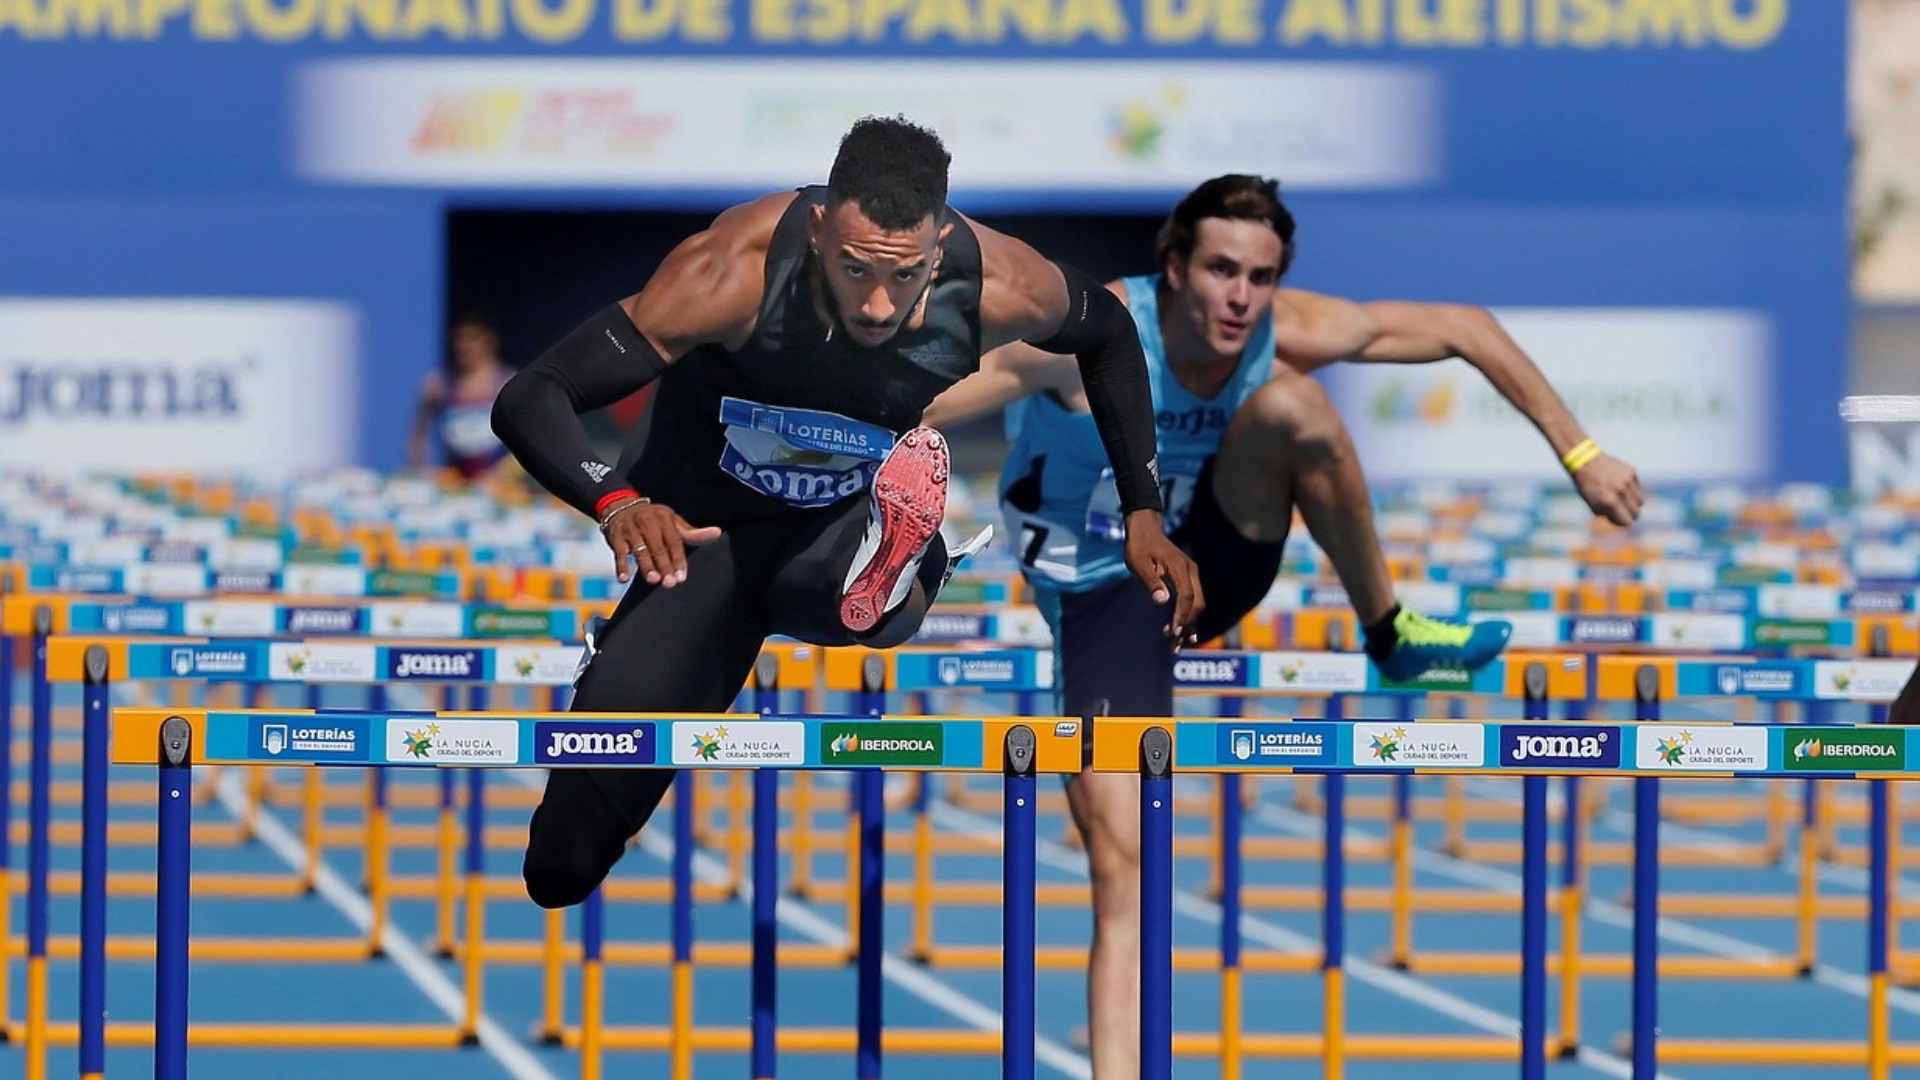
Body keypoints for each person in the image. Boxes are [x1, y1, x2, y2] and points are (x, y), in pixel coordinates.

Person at [923, 174, 1646, 1079]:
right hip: (1106, 585)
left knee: (1297, 406)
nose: (1239, 297)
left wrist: (1580, 453)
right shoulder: (1092, 333)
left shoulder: (1285, 330)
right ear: (1175, 269)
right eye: (1220, 270)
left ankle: (1388, 631)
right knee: (1126, 870)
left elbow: (1466, 326)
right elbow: (933, 388)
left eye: (1259, 277)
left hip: (1221, 554)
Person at [490, 116, 1204, 910]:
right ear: (822, 226)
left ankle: (895, 552)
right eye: (855, 267)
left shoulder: (1002, 283)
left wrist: (1144, 508)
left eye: (903, 278)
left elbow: (1107, 334)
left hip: (829, 541)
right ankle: (869, 560)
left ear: (938, 247)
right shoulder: (728, 274)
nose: (875, 303)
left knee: (861, 599)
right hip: (701, 550)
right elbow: (531, 396)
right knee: (559, 869)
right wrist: (614, 498)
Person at [409, 312, 517, 481]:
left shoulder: (509, 384)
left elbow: (530, 441)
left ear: (490, 341)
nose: (465, 346)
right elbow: (418, 434)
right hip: (457, 484)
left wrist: (499, 475)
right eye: (460, 339)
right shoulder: (438, 385)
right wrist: (420, 470)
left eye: (473, 339)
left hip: (501, 487)